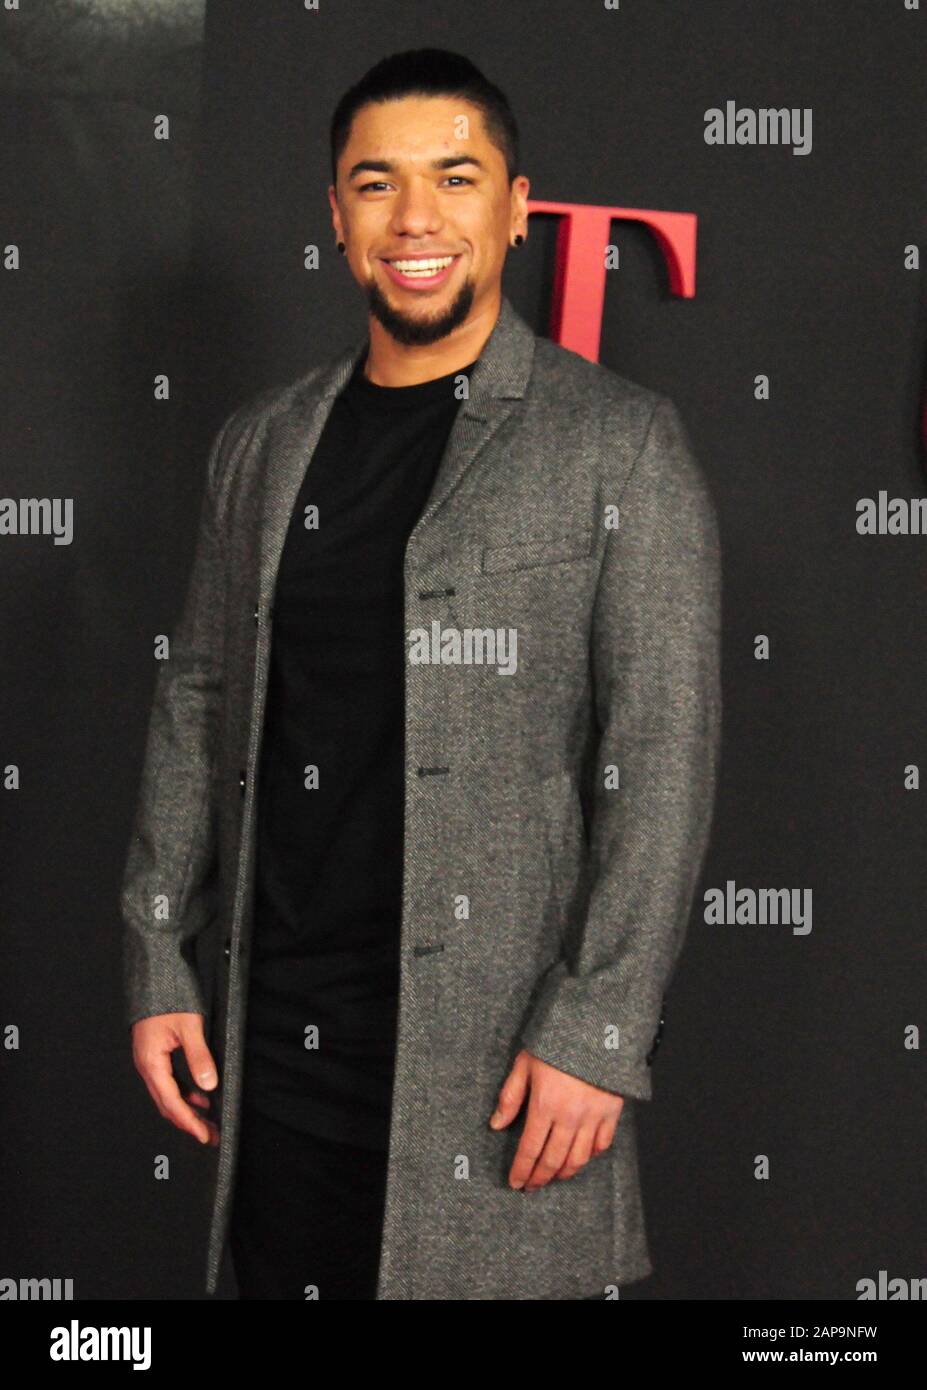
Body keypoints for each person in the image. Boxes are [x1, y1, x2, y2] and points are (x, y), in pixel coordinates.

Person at [122, 47, 722, 1301]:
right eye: (377, 184)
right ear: (336, 216)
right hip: (273, 1065)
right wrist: (155, 951)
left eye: (455, 178)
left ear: (514, 205)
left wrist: (600, 1032)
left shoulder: (620, 445)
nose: (416, 220)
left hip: (496, 1078)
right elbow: (202, 698)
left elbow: (663, 751)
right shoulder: (260, 444)